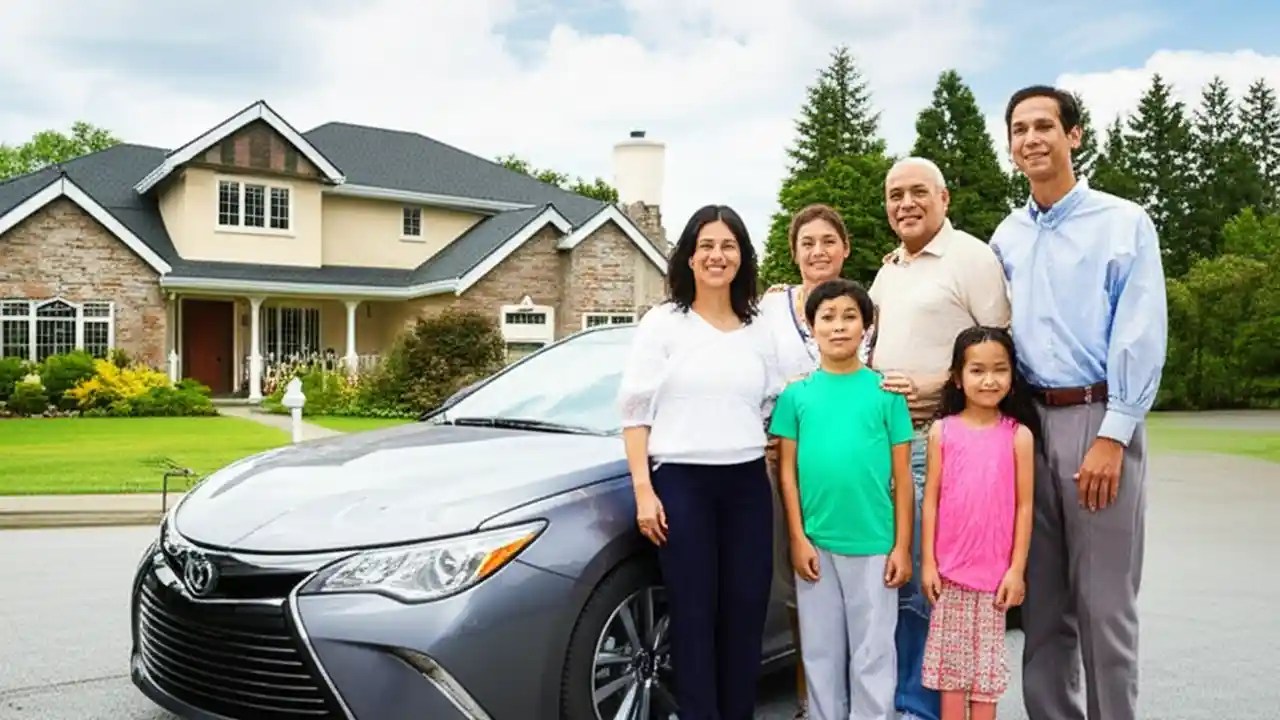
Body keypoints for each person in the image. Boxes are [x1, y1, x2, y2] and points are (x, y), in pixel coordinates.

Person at [991, 85, 1166, 720]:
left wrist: (1114, 434)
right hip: (1027, 425)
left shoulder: (1123, 223)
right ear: (1010, 145)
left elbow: (1140, 333)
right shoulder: (1006, 237)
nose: (1031, 138)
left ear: (1074, 135)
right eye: (1019, 129)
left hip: (1098, 417)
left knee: (1103, 608)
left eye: (1044, 125)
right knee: (1040, 609)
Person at [616, 203, 782, 720]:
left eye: (728, 245)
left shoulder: (760, 327)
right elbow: (635, 411)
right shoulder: (664, 323)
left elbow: (774, 404)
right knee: (694, 614)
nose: (717, 255)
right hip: (682, 484)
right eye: (706, 245)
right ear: (688, 256)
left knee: (745, 611)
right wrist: (645, 489)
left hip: (747, 484)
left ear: (742, 256)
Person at [866, 156, 1012, 720]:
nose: (906, 203)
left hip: (937, 442)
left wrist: (941, 386)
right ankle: (897, 700)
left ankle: (919, 708)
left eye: (918, 192)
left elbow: (1000, 347)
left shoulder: (972, 258)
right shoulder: (891, 270)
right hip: (886, 445)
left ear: (944, 198)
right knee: (893, 575)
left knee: (926, 587)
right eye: (895, 194)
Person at [768, 278, 915, 720]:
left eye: (850, 316)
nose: (838, 326)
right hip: (816, 544)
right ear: (811, 327)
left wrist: (902, 546)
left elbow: (903, 477)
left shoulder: (886, 395)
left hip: (874, 542)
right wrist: (797, 536)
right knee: (820, 649)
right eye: (827, 317)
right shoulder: (796, 396)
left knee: (873, 652)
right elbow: (787, 473)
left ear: (866, 328)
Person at [758, 203, 853, 719]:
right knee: (801, 580)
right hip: (785, 462)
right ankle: (807, 698)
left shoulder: (864, 304)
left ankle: (857, 695)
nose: (818, 251)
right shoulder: (768, 309)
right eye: (807, 243)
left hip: (850, 465)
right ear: (793, 253)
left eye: (827, 241)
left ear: (845, 249)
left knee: (858, 581)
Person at [919, 326, 1038, 720]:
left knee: (984, 677)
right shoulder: (942, 432)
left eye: (999, 370)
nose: (989, 380)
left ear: (1011, 376)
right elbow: (931, 500)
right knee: (951, 675)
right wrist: (929, 564)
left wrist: (1016, 571)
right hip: (949, 575)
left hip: (995, 579)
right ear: (957, 376)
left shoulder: (1018, 436)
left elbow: (1024, 507)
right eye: (977, 370)